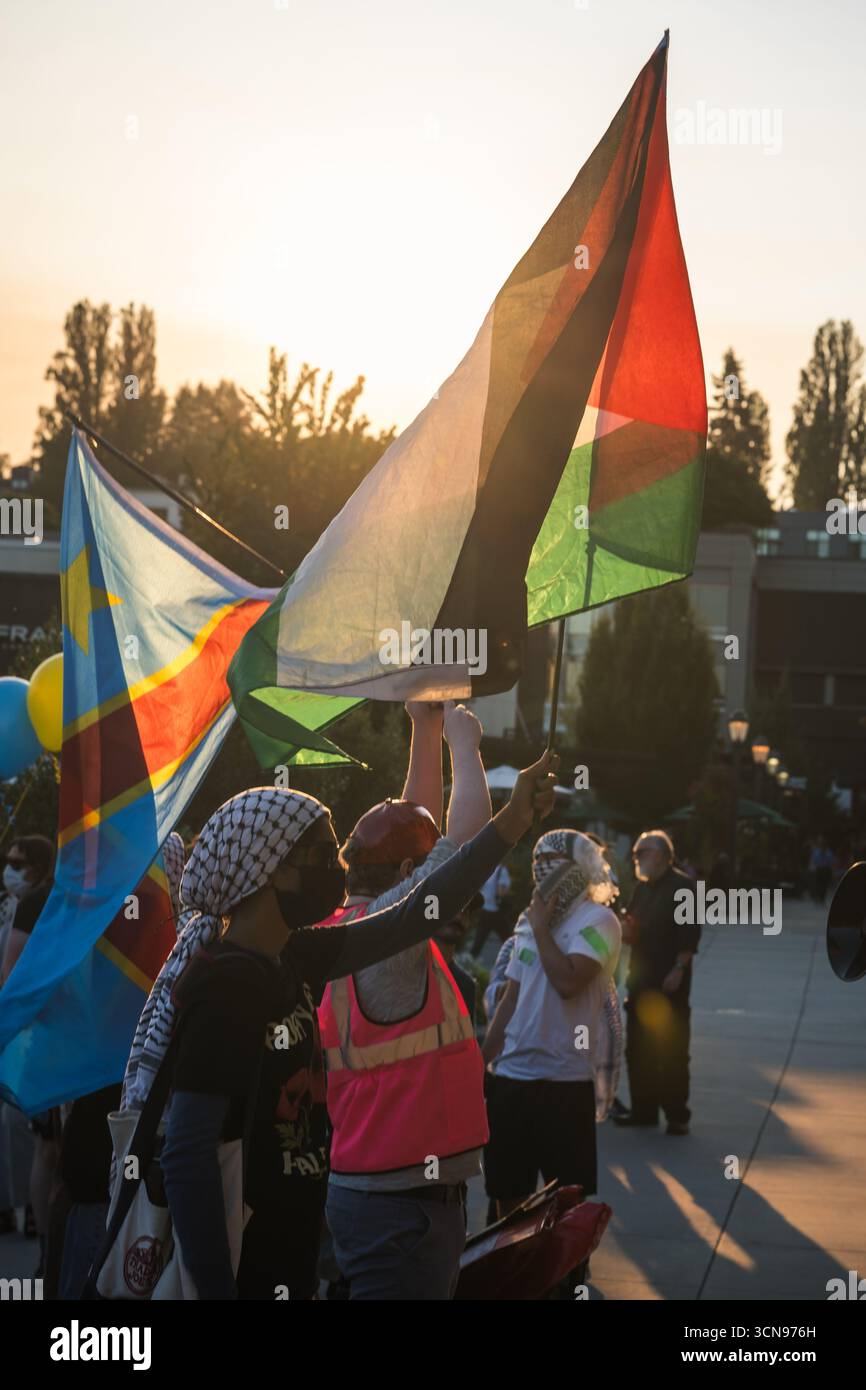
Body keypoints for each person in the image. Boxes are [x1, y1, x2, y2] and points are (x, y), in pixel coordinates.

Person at [115, 751, 555, 1301]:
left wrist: (512, 822)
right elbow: (186, 1155)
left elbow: (418, 912)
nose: (339, 870)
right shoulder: (228, 987)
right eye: (324, 853)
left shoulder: (292, 954)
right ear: (272, 869)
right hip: (245, 1264)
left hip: (288, 1250)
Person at [318, 700, 495, 1300]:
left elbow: (416, 830)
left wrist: (423, 728)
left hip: (370, 1191)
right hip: (402, 1208)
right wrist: (464, 745)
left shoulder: (345, 927)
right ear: (407, 873)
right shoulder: (390, 941)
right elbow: (466, 845)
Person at [482, 830, 621, 1218]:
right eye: (536, 863)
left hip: (565, 1082)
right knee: (507, 1199)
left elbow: (567, 982)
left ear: (580, 870)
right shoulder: (528, 924)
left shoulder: (599, 920)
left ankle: (564, 1278)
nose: (541, 871)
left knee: (565, 1207)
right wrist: (480, 1063)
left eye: (552, 864)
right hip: (511, 1080)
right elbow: (509, 1001)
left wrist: (542, 928)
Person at [614, 829, 699, 1136]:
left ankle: (677, 1115)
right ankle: (644, 1110)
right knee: (637, 1049)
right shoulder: (642, 888)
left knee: (672, 1049)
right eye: (635, 853)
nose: (636, 858)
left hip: (668, 983)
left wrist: (678, 969)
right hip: (640, 981)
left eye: (641, 853)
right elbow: (632, 929)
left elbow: (689, 935)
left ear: (662, 855)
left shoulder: (684, 887)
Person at [471, 862, 512, 958]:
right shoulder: (502, 870)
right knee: (507, 939)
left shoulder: (487, 868)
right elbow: (502, 892)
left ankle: (470, 960)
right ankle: (514, 960)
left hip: (484, 910)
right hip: (496, 912)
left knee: (479, 940)